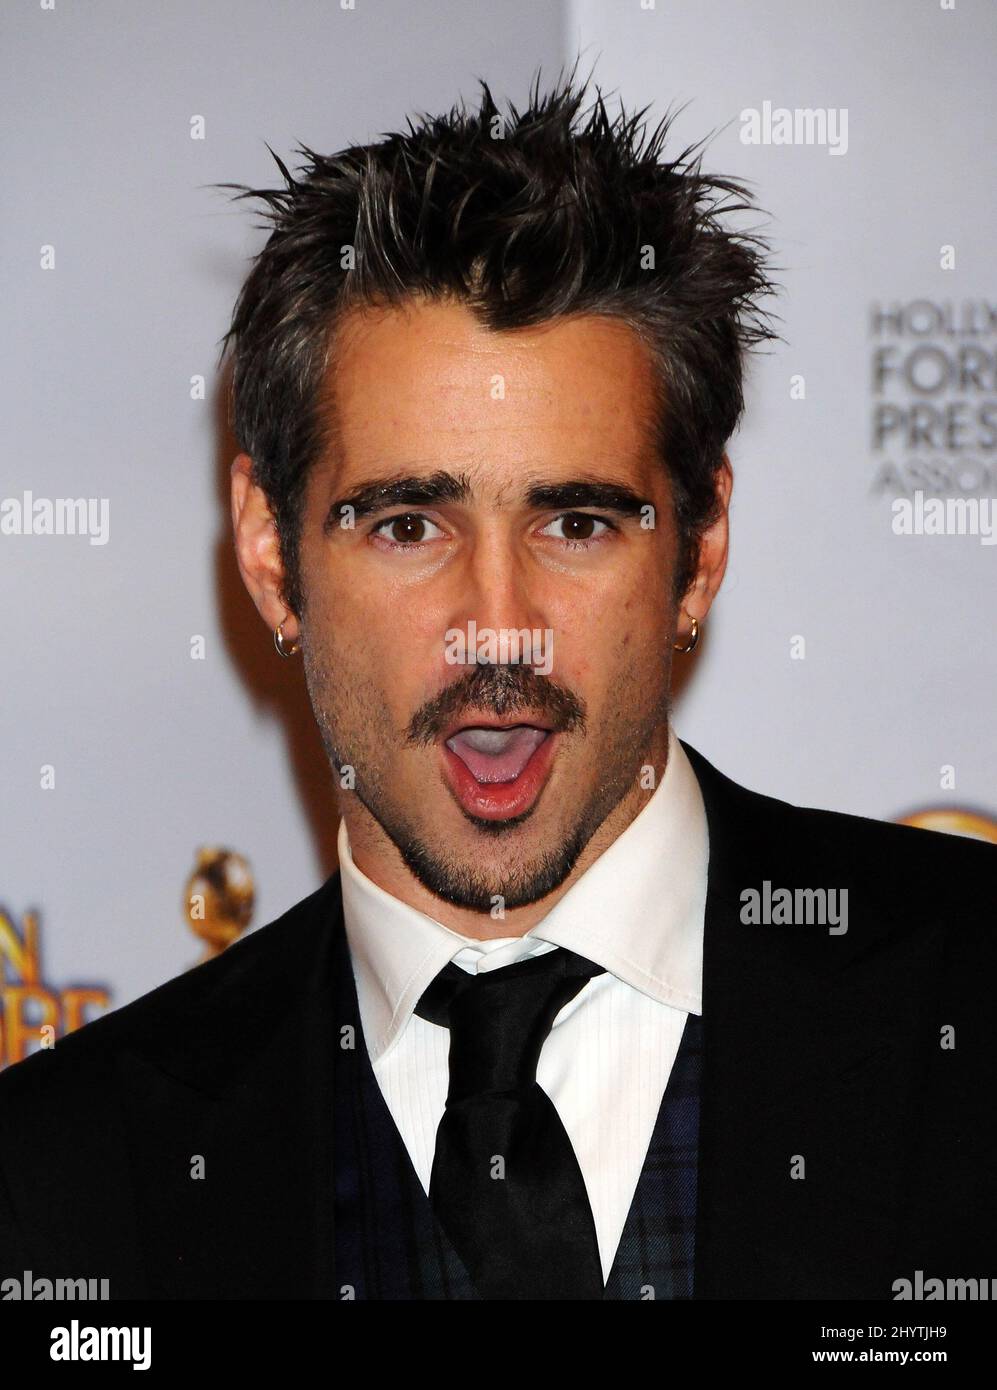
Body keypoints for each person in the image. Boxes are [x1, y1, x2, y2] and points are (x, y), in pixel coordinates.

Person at [1, 72, 994, 1302]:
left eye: (575, 522)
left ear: (700, 549)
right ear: (270, 552)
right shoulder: (59, 1183)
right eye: (408, 524)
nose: (499, 632)